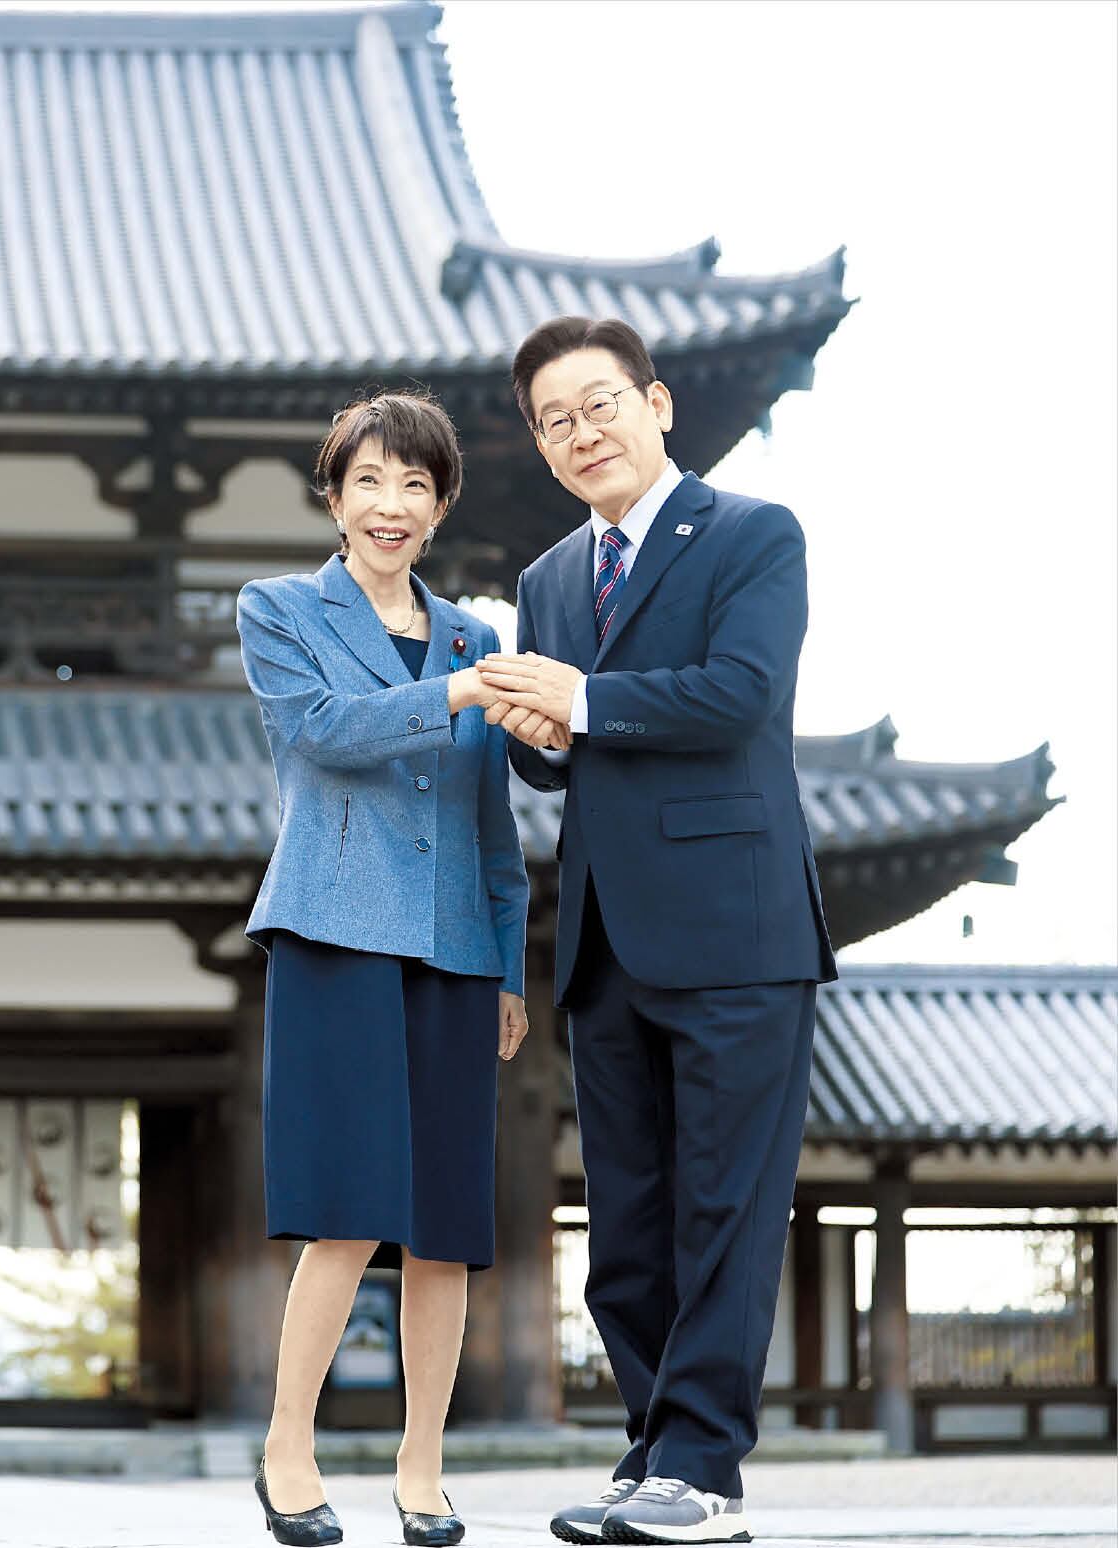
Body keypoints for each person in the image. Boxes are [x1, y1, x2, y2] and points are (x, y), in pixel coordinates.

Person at [479, 317, 835, 1546]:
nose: (580, 434)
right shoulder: (544, 583)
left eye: (599, 405)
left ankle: (704, 1474)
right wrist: (541, 736)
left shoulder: (751, 535)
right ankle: (651, 1456)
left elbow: (741, 693)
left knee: (722, 1207)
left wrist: (577, 699)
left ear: (658, 402)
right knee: (623, 1226)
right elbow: (566, 767)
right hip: (602, 940)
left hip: (737, 931)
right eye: (553, 421)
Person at [234, 391, 542, 1548]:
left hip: (456, 950)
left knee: (447, 1224)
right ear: (334, 493)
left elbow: (489, 822)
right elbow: (320, 733)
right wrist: (459, 690)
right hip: (333, 932)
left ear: (439, 503)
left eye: (415, 485)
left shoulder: (471, 631)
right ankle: (287, 1449)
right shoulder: (277, 608)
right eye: (369, 480)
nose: (390, 505)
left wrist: (505, 965)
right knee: (346, 1214)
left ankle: (423, 1465)